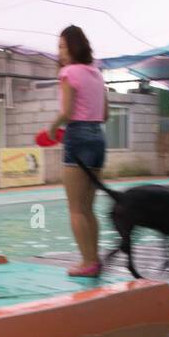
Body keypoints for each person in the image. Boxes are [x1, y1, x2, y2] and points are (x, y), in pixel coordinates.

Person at [46, 25, 109, 278]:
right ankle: (95, 260)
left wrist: (52, 128)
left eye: (62, 46)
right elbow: (105, 114)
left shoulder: (68, 72)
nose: (59, 52)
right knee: (88, 207)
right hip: (98, 139)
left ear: (74, 47)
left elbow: (68, 112)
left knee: (75, 208)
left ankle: (87, 263)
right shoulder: (97, 74)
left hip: (78, 137)